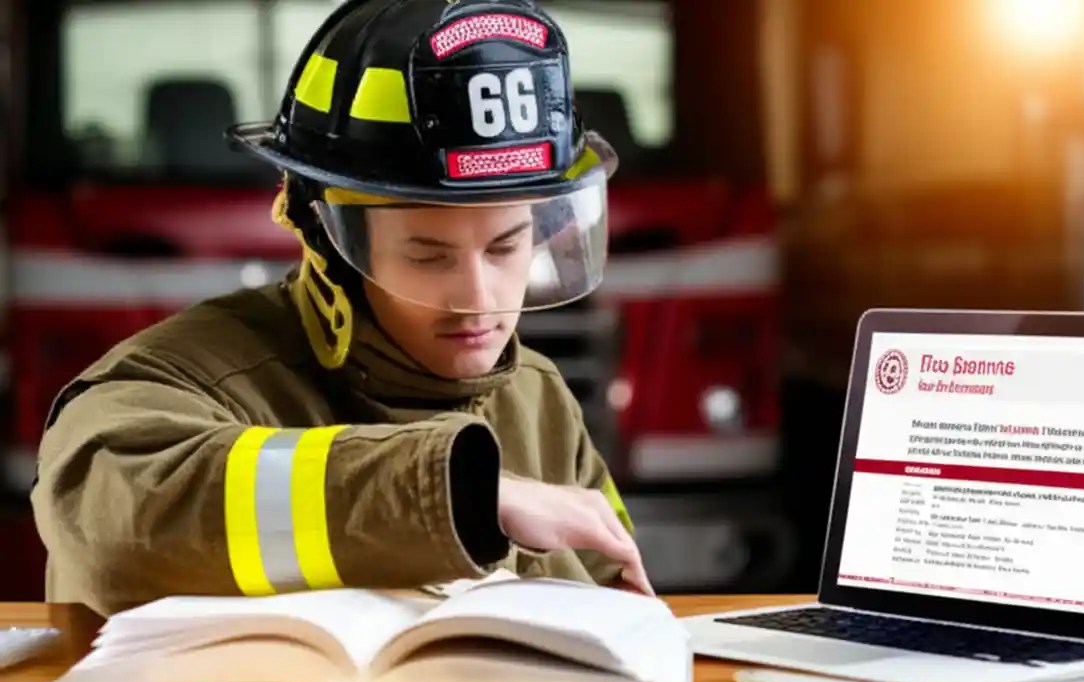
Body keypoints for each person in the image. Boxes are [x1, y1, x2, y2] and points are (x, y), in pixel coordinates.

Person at [29, 0, 653, 618]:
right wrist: (460, 494)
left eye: (507, 245)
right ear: (330, 242)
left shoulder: (540, 402)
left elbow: (615, 615)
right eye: (427, 255)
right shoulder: (188, 375)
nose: (480, 298)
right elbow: (110, 519)